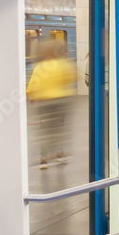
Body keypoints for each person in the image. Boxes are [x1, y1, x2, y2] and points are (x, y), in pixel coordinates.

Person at [26, 39, 76, 169]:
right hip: (61, 100)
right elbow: (71, 78)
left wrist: (32, 96)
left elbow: (31, 86)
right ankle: (60, 154)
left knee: (45, 129)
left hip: (44, 101)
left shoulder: (40, 67)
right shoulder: (63, 64)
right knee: (59, 127)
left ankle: (44, 158)